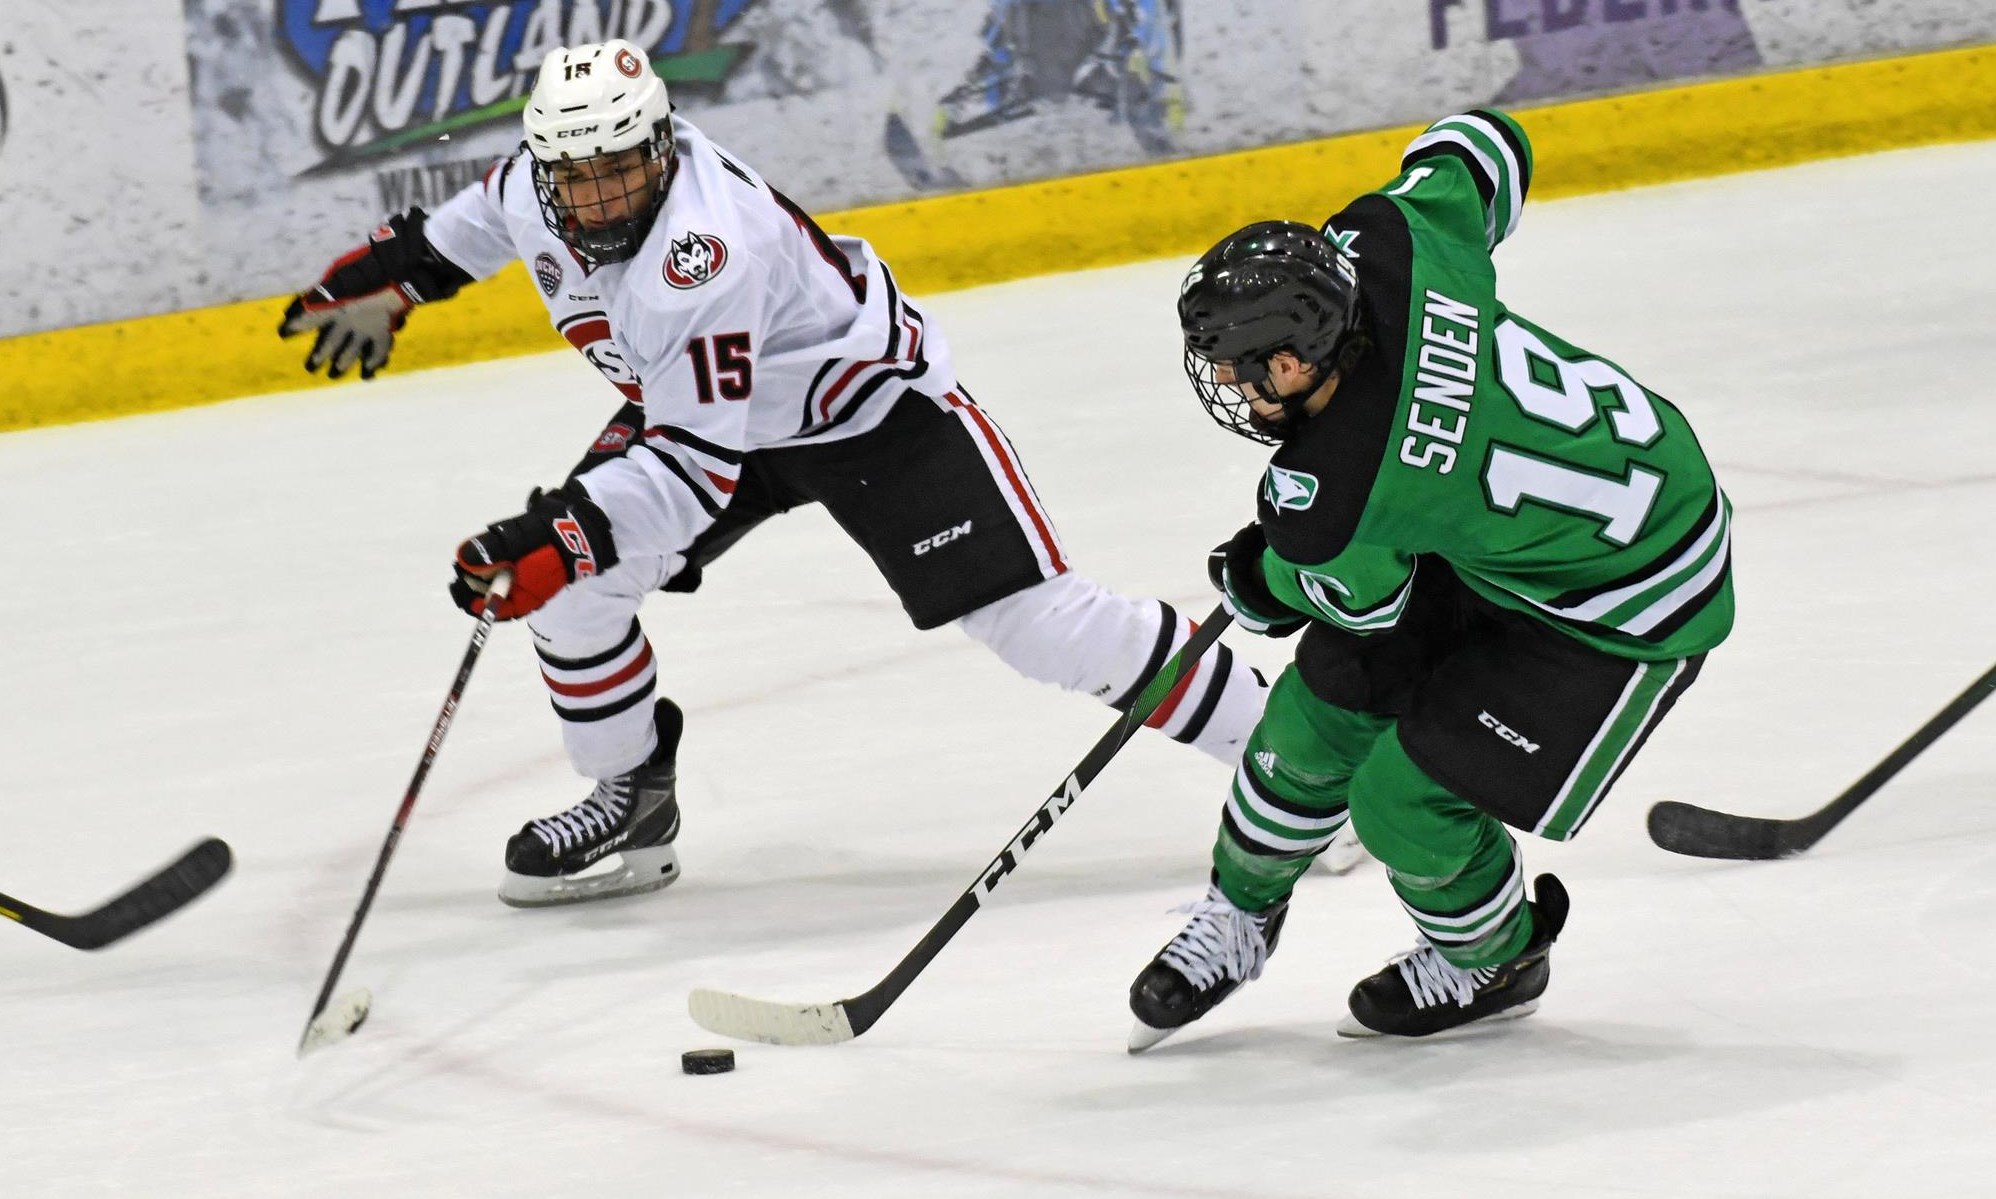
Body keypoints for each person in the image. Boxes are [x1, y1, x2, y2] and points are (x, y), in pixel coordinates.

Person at [278, 39, 1284, 908]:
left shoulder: (701, 250)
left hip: (870, 415)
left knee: (1036, 622)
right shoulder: (532, 187)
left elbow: (691, 471)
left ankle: (1293, 763)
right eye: (575, 177)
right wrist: (390, 279)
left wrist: (553, 535)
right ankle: (632, 800)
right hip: (714, 417)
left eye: (620, 169)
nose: (597, 196)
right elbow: (456, 236)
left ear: (662, 148)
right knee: (578, 586)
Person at [1126, 108, 1734, 1047]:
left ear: (1291, 361)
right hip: (1560, 515)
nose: (1229, 385)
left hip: (1630, 600)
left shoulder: (1337, 491)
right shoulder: (1389, 242)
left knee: (1404, 801)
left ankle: (1495, 957)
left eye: (1240, 369)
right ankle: (1239, 916)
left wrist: (1259, 581)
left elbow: (1361, 595)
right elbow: (1485, 143)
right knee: (1321, 706)